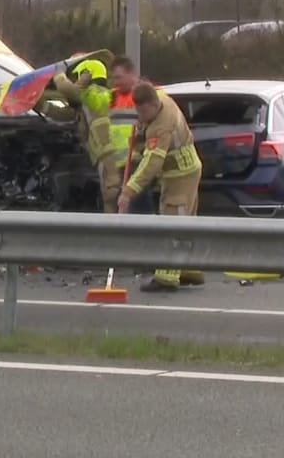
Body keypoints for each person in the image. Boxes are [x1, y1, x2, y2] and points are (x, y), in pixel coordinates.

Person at [119, 82, 205, 292]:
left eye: (141, 112)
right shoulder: (161, 99)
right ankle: (187, 268)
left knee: (173, 219)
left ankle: (167, 276)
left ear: (151, 105)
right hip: (181, 170)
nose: (139, 116)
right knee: (185, 220)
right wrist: (140, 129)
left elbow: (153, 162)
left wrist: (128, 191)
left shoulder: (161, 126)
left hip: (181, 172)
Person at [50, 58, 122, 213]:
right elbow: (64, 114)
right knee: (110, 198)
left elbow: (67, 89)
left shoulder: (98, 94)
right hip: (107, 157)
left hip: (112, 158)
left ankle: (116, 233)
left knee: (112, 197)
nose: (77, 81)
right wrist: (39, 104)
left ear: (87, 75)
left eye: (78, 77)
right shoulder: (92, 101)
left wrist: (59, 73)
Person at [108, 56, 155, 214]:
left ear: (132, 74)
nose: (116, 82)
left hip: (138, 162)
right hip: (119, 165)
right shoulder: (112, 97)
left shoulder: (148, 96)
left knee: (139, 209)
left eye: (119, 77)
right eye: (114, 78)